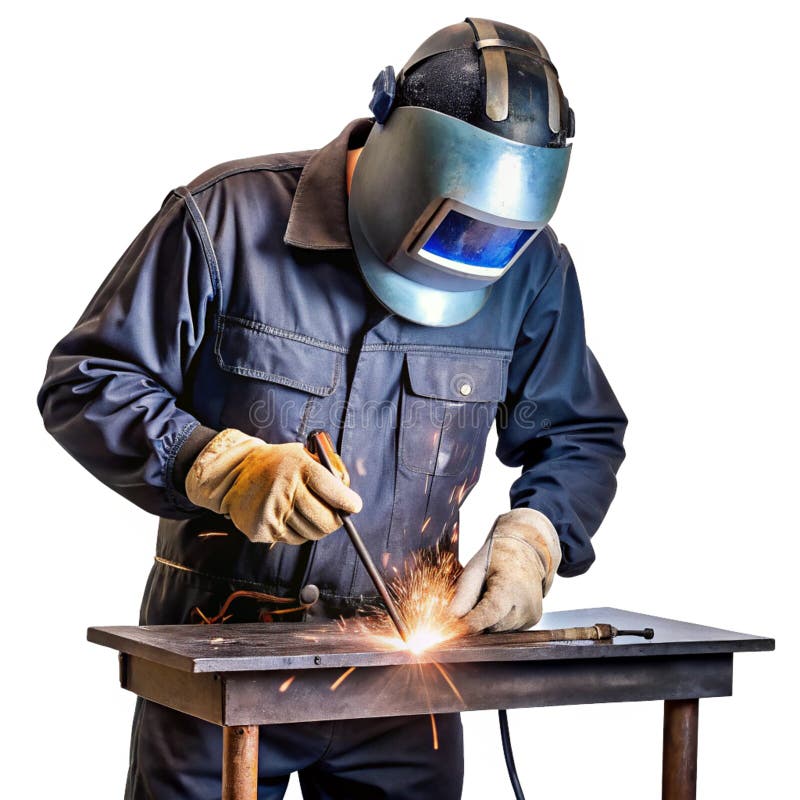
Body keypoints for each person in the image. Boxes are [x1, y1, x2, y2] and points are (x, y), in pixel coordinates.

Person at [38, 17, 626, 800]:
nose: (470, 260)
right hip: (220, 650)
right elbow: (87, 380)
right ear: (393, 144)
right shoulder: (228, 220)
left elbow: (578, 431)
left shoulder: (530, 270)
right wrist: (218, 465)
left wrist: (536, 535)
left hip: (403, 676)